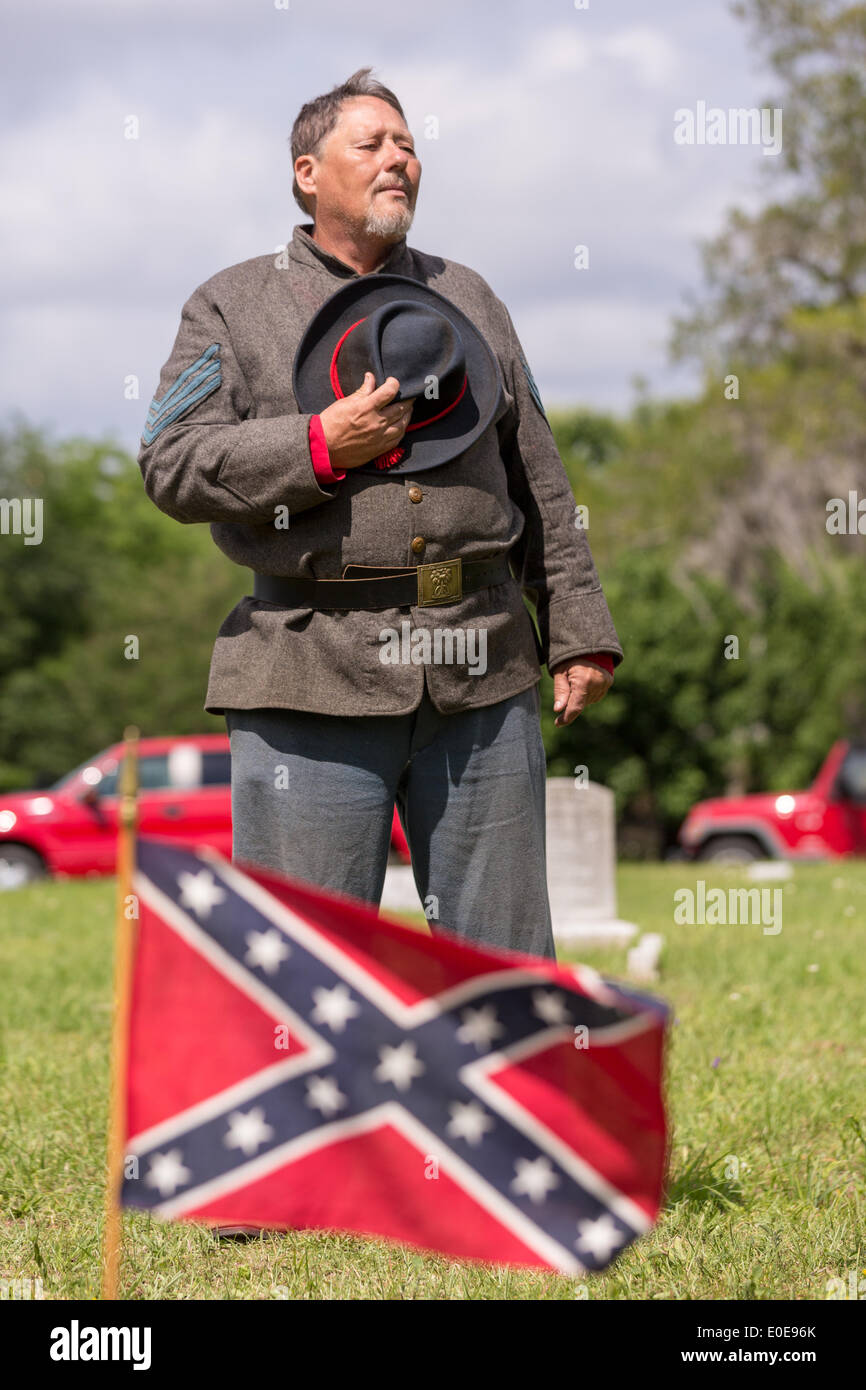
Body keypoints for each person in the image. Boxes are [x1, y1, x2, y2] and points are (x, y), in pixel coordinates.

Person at [138, 67, 623, 963]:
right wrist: (317, 447)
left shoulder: (471, 296)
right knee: (303, 965)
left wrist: (579, 625)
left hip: (482, 662)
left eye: (408, 145)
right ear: (307, 172)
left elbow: (539, 472)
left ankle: (511, 1107)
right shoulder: (229, 304)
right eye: (372, 144)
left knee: (505, 963)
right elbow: (170, 463)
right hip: (307, 671)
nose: (400, 159)